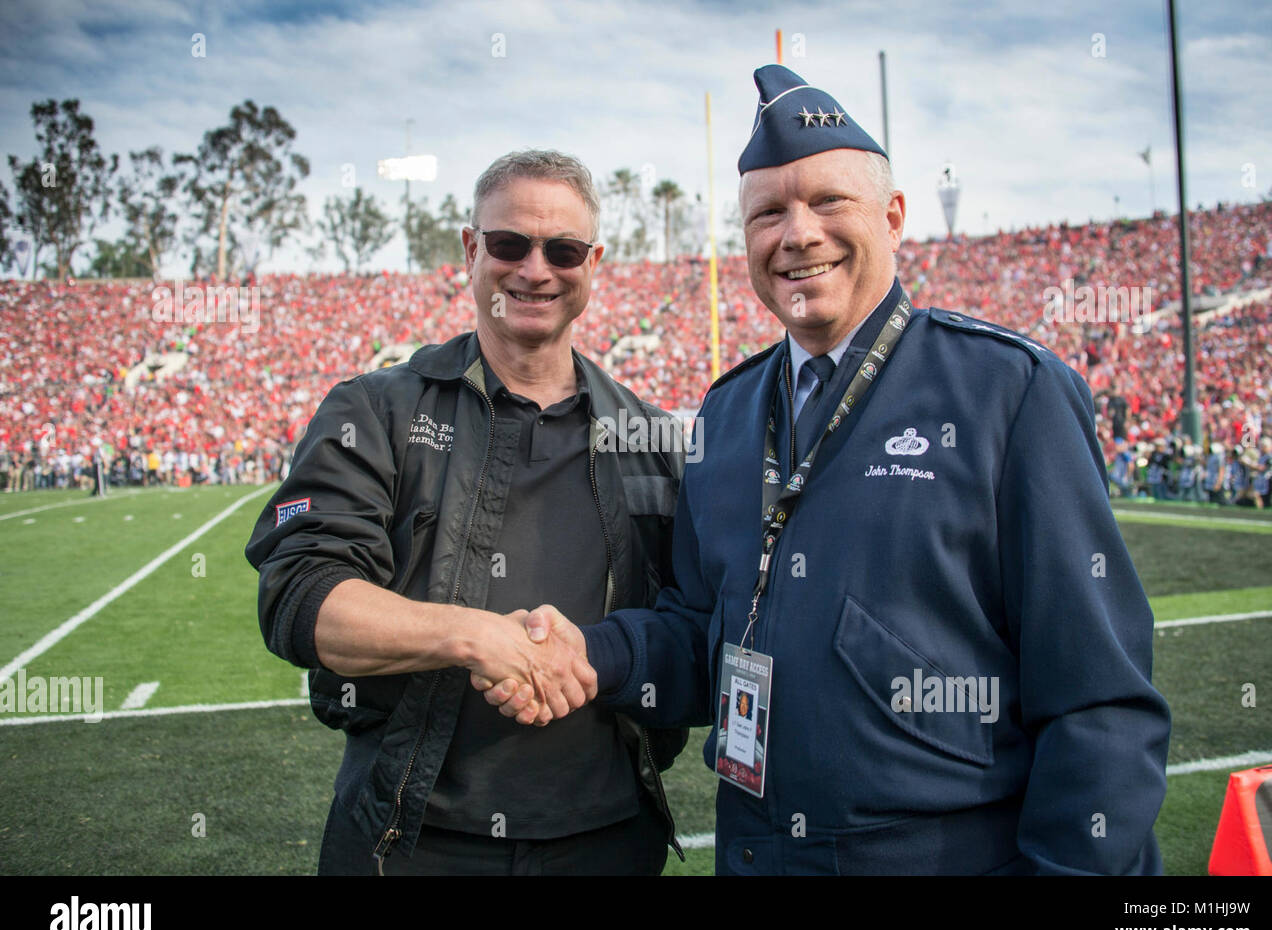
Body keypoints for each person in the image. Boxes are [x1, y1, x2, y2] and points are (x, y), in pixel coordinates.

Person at [483, 66, 1171, 875]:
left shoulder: (1007, 390)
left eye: (829, 202)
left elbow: (1100, 702)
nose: (797, 233)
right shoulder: (728, 413)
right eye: (768, 212)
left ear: (896, 216)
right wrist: (591, 656)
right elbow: (698, 629)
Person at [245, 149, 687, 875]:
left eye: (563, 250)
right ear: (470, 248)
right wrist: (476, 638)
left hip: (609, 837)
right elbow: (299, 597)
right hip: (412, 836)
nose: (535, 270)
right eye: (509, 243)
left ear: (594, 262)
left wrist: (593, 658)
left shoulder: (654, 437)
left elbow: (692, 630)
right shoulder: (375, 409)